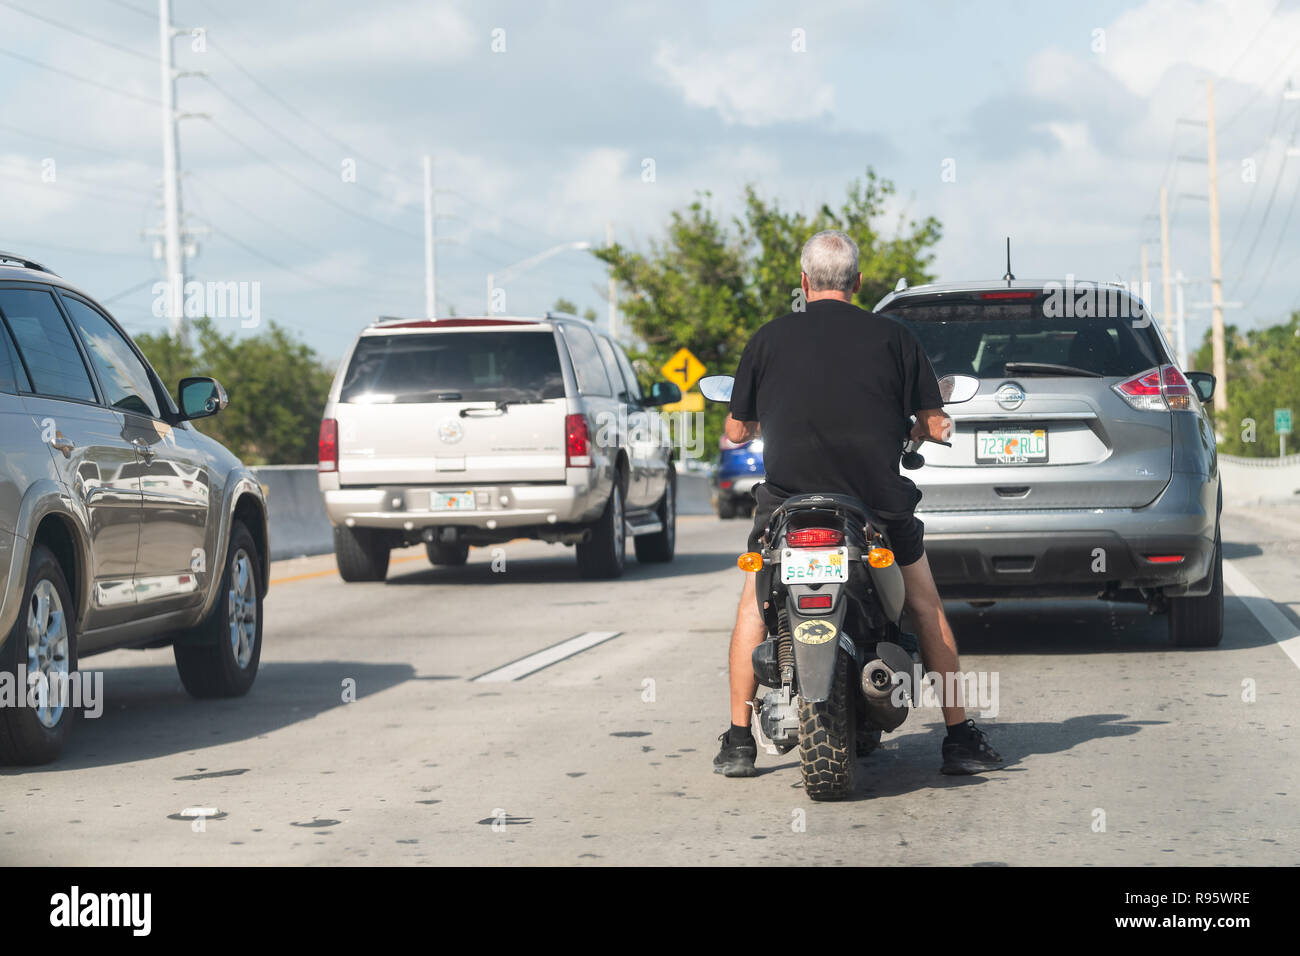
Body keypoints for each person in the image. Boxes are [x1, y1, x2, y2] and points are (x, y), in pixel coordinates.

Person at [712, 230, 1004, 778]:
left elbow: (734, 431)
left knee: (753, 608)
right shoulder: (894, 339)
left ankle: (736, 741)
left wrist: (753, 417)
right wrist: (924, 426)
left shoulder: (768, 339)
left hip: (786, 508)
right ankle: (960, 737)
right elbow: (937, 422)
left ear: (804, 282)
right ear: (858, 283)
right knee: (925, 607)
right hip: (874, 508)